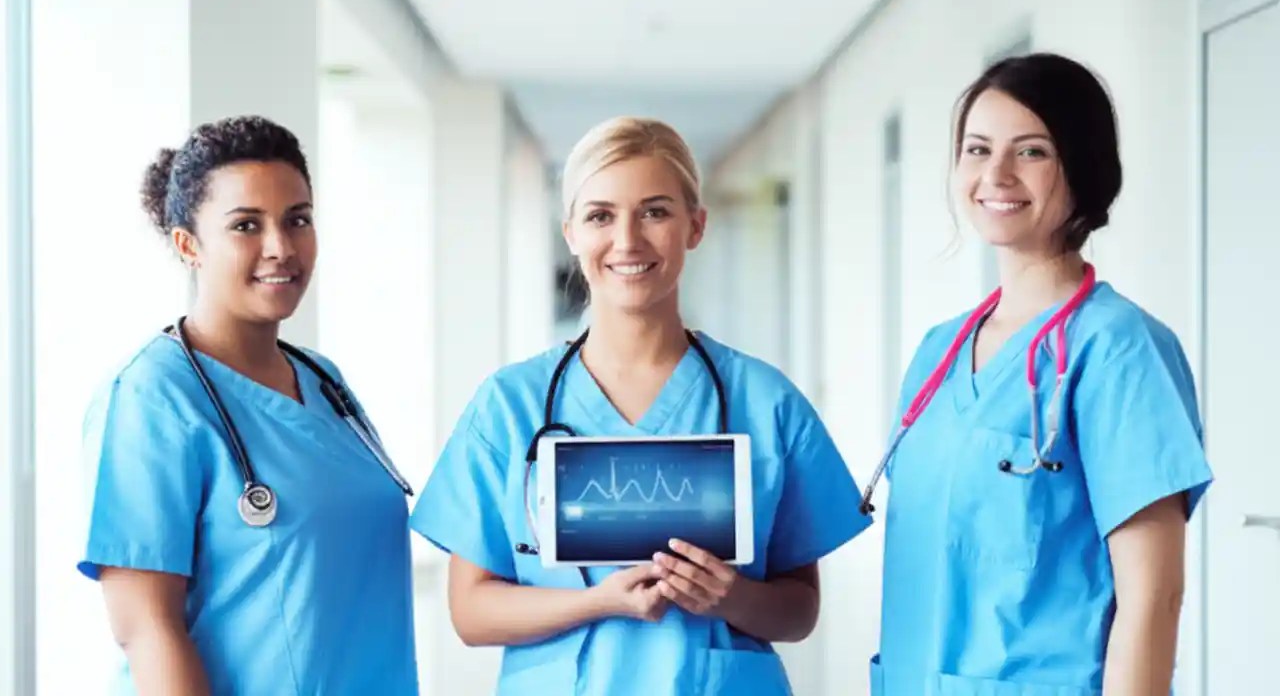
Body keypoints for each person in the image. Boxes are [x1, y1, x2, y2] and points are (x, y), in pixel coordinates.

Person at [410, 116, 872, 695]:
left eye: (655, 211)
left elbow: (800, 611)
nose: (627, 240)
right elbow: (472, 613)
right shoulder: (510, 406)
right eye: (600, 215)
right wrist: (598, 602)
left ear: (695, 226)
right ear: (571, 232)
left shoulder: (765, 401)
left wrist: (734, 596)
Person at [862, 53, 1214, 695]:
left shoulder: (1116, 348)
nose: (995, 174)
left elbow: (1154, 596)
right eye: (976, 149)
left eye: (1031, 152)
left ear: (1082, 167)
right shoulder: (938, 352)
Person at [77, 115, 419, 695]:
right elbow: (146, 629)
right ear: (189, 244)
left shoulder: (323, 380)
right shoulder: (150, 397)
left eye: (298, 220)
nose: (280, 248)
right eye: (245, 226)